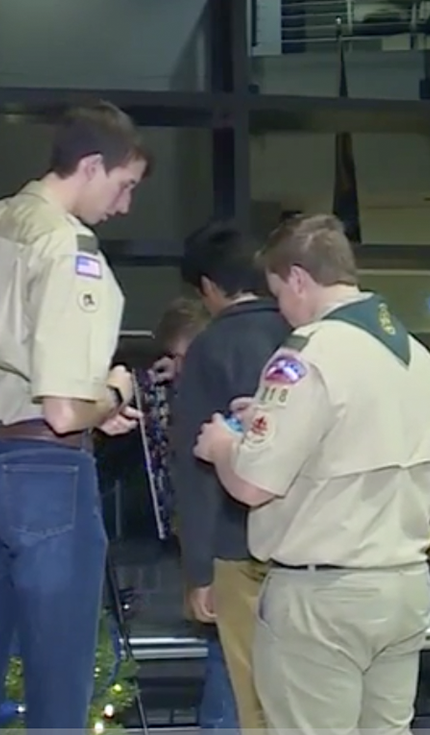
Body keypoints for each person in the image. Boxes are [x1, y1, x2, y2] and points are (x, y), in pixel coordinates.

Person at [0, 101, 151, 731]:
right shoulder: (69, 249)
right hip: (46, 473)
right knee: (59, 684)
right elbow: (67, 411)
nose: (124, 207)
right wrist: (115, 395)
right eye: (124, 186)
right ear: (92, 165)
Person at [193, 214, 430, 735]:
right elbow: (349, 439)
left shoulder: (309, 353)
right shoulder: (415, 355)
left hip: (323, 598)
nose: (282, 310)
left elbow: (252, 483)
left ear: (300, 278)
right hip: (403, 584)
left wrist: (222, 448)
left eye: (281, 292)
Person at [169, 222, 290, 733]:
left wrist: (198, 571)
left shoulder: (210, 347)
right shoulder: (303, 334)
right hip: (307, 547)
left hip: (235, 547)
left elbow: (193, 467)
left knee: (244, 695)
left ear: (210, 288)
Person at [150, 296, 240, 731]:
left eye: (187, 356)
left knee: (226, 677)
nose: (183, 367)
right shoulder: (173, 398)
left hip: (225, 555)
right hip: (195, 551)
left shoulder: (222, 404)